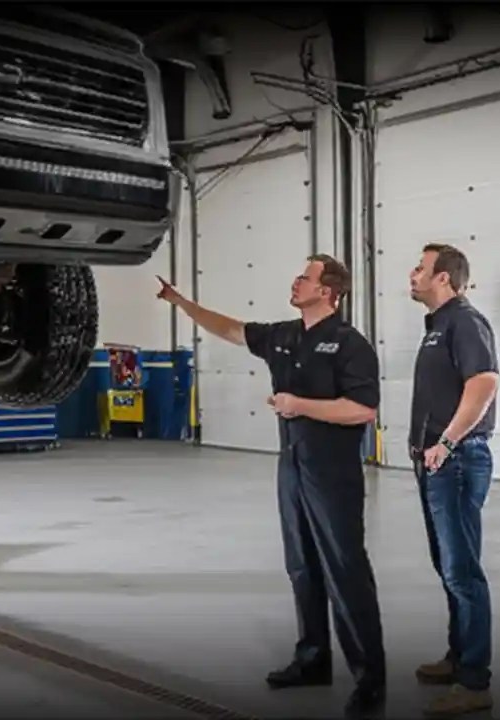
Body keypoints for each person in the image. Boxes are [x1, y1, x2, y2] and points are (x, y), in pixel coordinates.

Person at [155, 255, 387, 718]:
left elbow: (363, 410)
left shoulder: (350, 344)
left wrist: (300, 405)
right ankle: (312, 659)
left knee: (345, 570)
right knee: (301, 566)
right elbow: (230, 329)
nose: (296, 281)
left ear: (327, 292)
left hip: (333, 473)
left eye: (305, 277)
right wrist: (182, 303)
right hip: (293, 466)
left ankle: (370, 680)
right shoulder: (284, 335)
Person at [406, 243, 500, 717]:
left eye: (420, 267)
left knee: (462, 571)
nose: (412, 273)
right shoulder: (438, 326)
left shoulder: (464, 321)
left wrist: (446, 442)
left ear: (443, 277)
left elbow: (483, 382)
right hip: (436, 462)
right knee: (448, 566)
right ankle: (458, 655)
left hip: (456, 460)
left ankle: (474, 680)